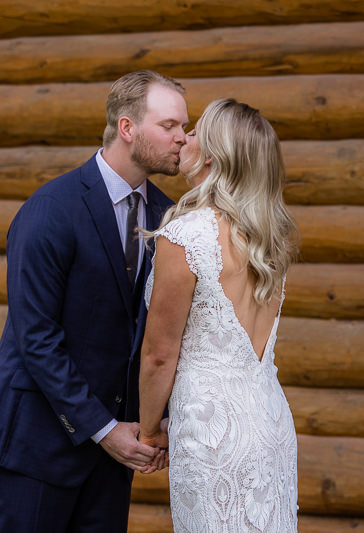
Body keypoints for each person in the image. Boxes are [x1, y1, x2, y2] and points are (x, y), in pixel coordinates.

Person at [0, 70, 187, 532]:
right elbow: (36, 337)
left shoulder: (168, 217)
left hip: (114, 456)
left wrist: (152, 422)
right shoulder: (51, 209)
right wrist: (103, 430)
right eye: (169, 126)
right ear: (127, 128)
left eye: (183, 127)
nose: (182, 139)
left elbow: (157, 332)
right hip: (37, 443)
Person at [137, 98, 300, 532]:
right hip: (269, 422)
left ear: (211, 153)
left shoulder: (186, 235)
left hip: (213, 431)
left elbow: (158, 354)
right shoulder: (268, 240)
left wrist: (149, 431)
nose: (182, 138)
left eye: (193, 133)